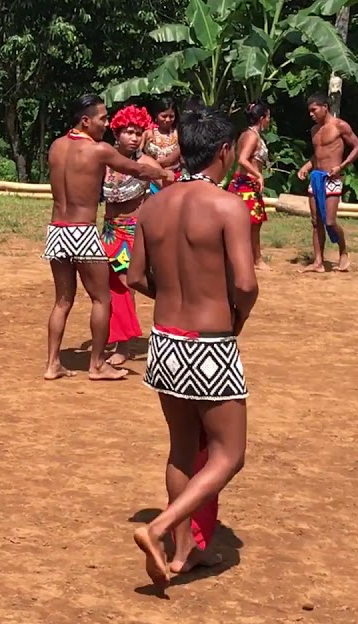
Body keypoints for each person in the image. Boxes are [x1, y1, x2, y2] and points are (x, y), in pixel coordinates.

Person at [126, 107, 257, 588]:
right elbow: (245, 283)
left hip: (164, 340)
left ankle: (186, 552)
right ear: (225, 151)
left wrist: (174, 297)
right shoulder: (227, 207)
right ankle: (159, 529)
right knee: (228, 454)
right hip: (210, 342)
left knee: (182, 450)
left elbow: (136, 276)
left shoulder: (153, 205)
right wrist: (235, 316)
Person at [44, 94, 169, 381]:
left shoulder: (56, 147)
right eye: (102, 118)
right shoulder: (98, 150)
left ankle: (53, 363)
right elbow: (137, 169)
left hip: (56, 230)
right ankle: (98, 364)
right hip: (83, 231)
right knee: (102, 299)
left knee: (62, 300)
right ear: (85, 121)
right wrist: (165, 174)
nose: (106, 123)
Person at [99, 104, 159, 366]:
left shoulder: (146, 164)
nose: (134, 138)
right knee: (108, 288)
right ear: (117, 133)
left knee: (126, 286)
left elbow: (169, 187)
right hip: (110, 232)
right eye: (129, 132)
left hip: (135, 232)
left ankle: (123, 345)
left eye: (138, 133)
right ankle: (115, 338)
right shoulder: (105, 161)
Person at [296, 93, 358, 273]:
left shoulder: (340, 126)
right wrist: (306, 167)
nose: (311, 114)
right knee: (316, 221)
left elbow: (357, 147)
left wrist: (341, 166)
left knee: (330, 221)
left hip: (332, 178)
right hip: (316, 177)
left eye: (314, 110)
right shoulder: (314, 130)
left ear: (325, 107)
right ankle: (318, 261)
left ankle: (343, 252)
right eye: (309, 111)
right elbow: (317, 155)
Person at [229, 101, 272, 271]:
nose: (269, 121)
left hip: (248, 184)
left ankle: (254, 258)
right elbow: (242, 159)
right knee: (249, 223)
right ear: (262, 118)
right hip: (246, 185)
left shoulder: (248, 134)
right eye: (268, 117)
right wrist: (258, 174)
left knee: (254, 223)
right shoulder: (252, 136)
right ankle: (254, 259)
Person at [143, 98, 180, 172]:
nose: (168, 120)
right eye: (164, 116)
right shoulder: (148, 134)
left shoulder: (179, 135)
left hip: (174, 176)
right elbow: (136, 154)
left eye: (171, 116)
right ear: (156, 115)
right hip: (149, 176)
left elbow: (173, 160)